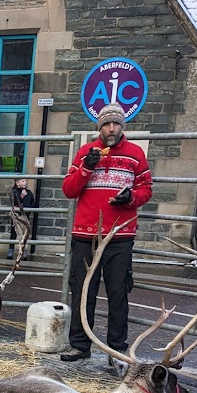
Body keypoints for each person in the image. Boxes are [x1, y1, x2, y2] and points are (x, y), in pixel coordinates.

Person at [60, 101, 154, 367]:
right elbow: (69, 190)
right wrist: (86, 168)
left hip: (119, 236)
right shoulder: (85, 152)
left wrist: (130, 198)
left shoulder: (135, 154)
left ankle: (117, 350)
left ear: (122, 126)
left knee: (118, 291)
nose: (111, 129)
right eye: (106, 124)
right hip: (85, 234)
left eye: (115, 124)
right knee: (82, 291)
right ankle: (80, 345)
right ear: (99, 127)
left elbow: (146, 189)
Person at [8, 176, 36, 260]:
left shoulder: (29, 192)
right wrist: (21, 196)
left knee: (25, 234)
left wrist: (28, 210)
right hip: (16, 216)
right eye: (22, 181)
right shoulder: (14, 192)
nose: (25, 182)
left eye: (25, 181)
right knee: (14, 232)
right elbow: (14, 202)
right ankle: (11, 250)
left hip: (25, 216)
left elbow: (33, 202)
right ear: (17, 183)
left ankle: (23, 251)